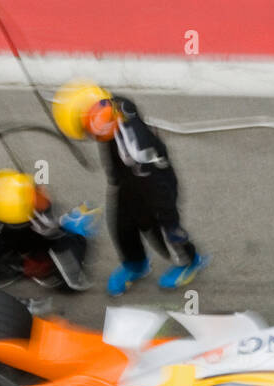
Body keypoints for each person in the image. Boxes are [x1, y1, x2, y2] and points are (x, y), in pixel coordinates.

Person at [53, 81, 208, 294]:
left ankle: (190, 261)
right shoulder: (113, 105)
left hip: (155, 185)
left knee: (164, 232)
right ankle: (136, 263)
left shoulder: (136, 150)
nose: (90, 137)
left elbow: (154, 176)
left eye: (88, 131)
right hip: (127, 180)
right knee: (122, 226)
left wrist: (166, 215)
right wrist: (116, 181)